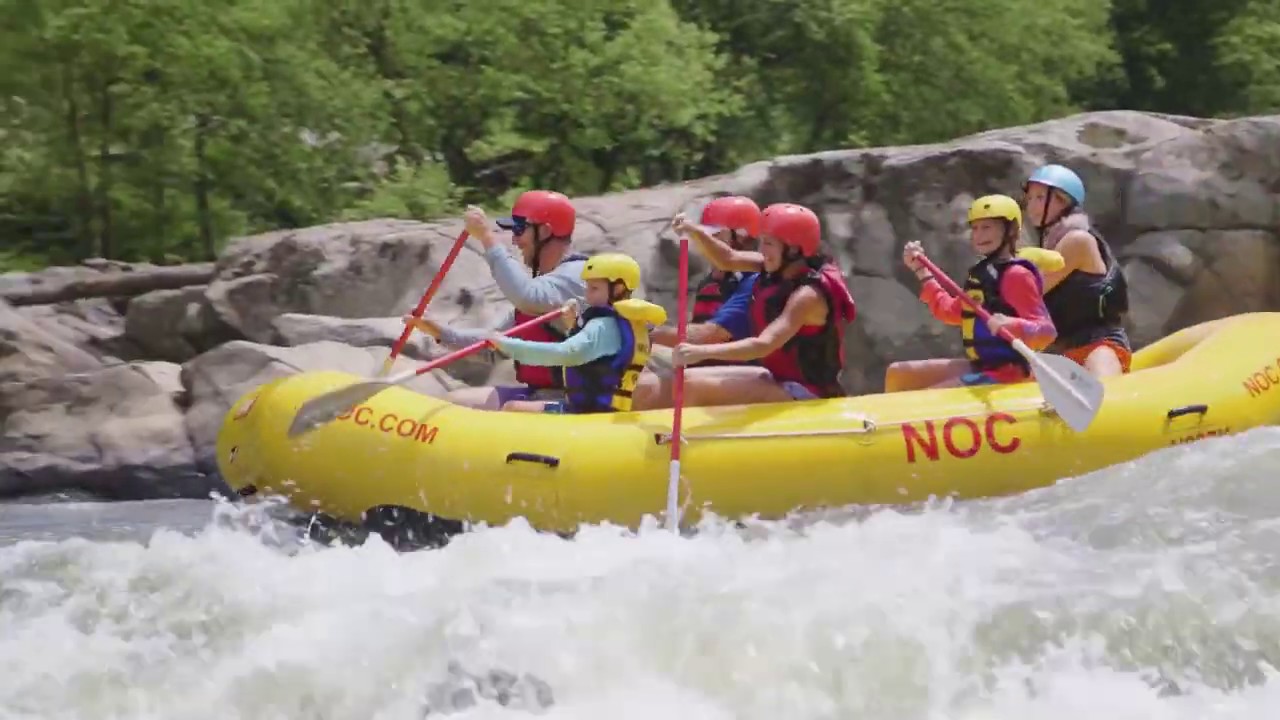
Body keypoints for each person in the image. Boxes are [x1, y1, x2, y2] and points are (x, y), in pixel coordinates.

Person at [648, 203, 857, 408]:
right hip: (779, 379)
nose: (761, 250)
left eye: (769, 243)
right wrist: (693, 230)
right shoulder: (776, 267)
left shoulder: (808, 296)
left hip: (807, 393)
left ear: (793, 249)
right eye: (762, 241)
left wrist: (701, 352)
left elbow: (763, 344)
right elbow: (728, 258)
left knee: (694, 388)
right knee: (686, 381)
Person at [403, 190, 589, 409]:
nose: (515, 240)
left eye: (520, 229)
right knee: (454, 402)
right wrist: (439, 332)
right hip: (544, 393)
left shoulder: (579, 276)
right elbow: (492, 346)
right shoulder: (546, 286)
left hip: (581, 400)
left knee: (514, 409)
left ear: (546, 231)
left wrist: (487, 238)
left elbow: (527, 296)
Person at [884, 194, 1057, 391]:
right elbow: (948, 311)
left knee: (926, 398)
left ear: (1010, 231)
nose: (979, 235)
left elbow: (1047, 332)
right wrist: (921, 272)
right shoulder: (982, 275)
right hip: (983, 366)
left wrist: (1013, 324)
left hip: (1009, 374)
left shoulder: (1017, 275)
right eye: (975, 228)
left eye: (987, 227)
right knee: (898, 373)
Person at [486, 253, 667, 414]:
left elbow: (565, 354)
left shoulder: (602, 325)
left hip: (586, 413)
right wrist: (573, 327)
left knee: (513, 408)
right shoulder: (630, 323)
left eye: (594, 289)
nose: (587, 296)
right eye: (587, 288)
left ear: (618, 289)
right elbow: (598, 359)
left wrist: (506, 345)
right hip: (610, 411)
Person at [1022, 164, 1132, 377]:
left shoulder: (1078, 241)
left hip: (1100, 345)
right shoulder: (1050, 245)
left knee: (1100, 385)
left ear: (1063, 201)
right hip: (1063, 352)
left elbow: (1030, 292)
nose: (1031, 205)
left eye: (1040, 197)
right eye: (1030, 198)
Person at [649, 195, 762, 365]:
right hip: (705, 365)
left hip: (738, 372)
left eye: (713, 235)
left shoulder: (754, 281)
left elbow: (708, 336)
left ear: (741, 237)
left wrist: (647, 335)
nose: (704, 242)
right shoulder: (711, 280)